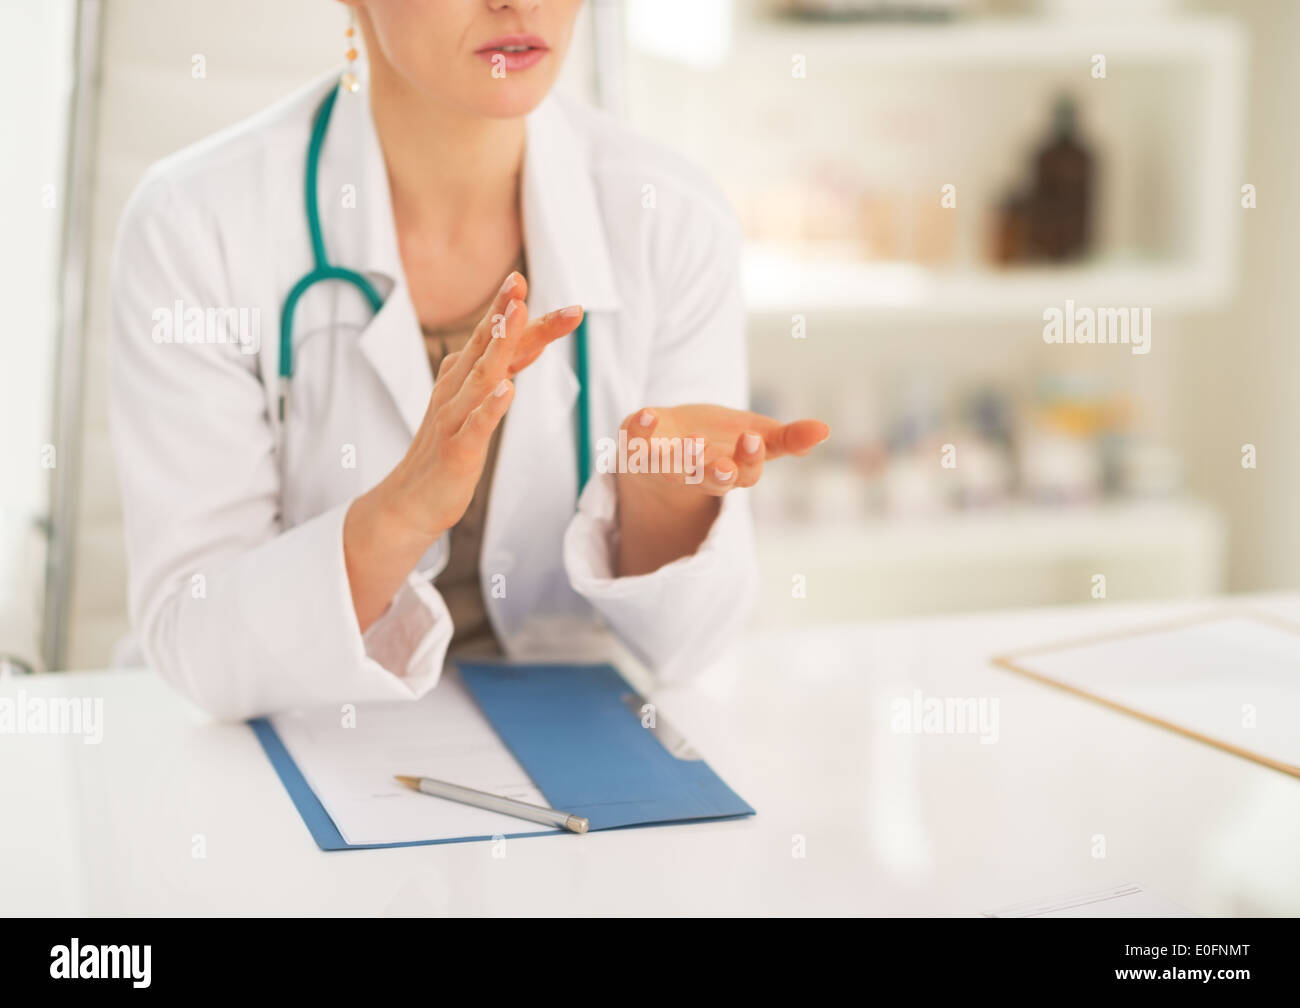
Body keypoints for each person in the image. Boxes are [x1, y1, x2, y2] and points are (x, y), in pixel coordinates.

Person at [109, 0, 829, 720]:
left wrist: (663, 504)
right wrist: (401, 513)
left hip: (574, 761)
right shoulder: (195, 225)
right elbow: (194, 640)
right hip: (291, 749)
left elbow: (690, 649)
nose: (520, 4)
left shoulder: (670, 218)